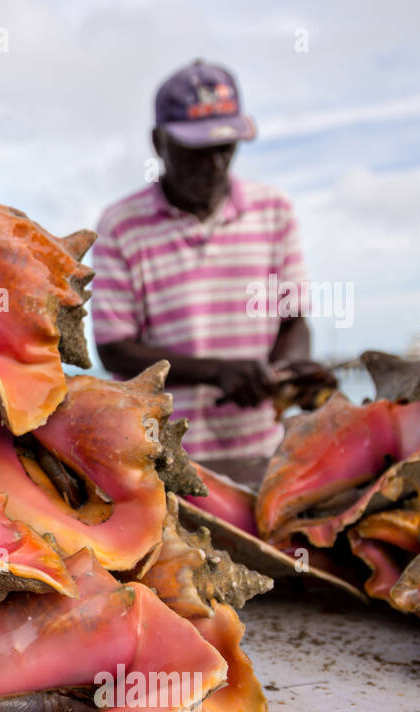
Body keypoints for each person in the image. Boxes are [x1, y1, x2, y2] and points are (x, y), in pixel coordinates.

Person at [92, 60, 335, 486]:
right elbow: (115, 350)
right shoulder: (121, 225)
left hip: (262, 457)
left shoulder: (272, 211)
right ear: (158, 142)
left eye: (225, 148)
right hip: (157, 465)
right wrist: (216, 371)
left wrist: (285, 374)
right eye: (197, 152)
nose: (215, 164)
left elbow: (293, 322)